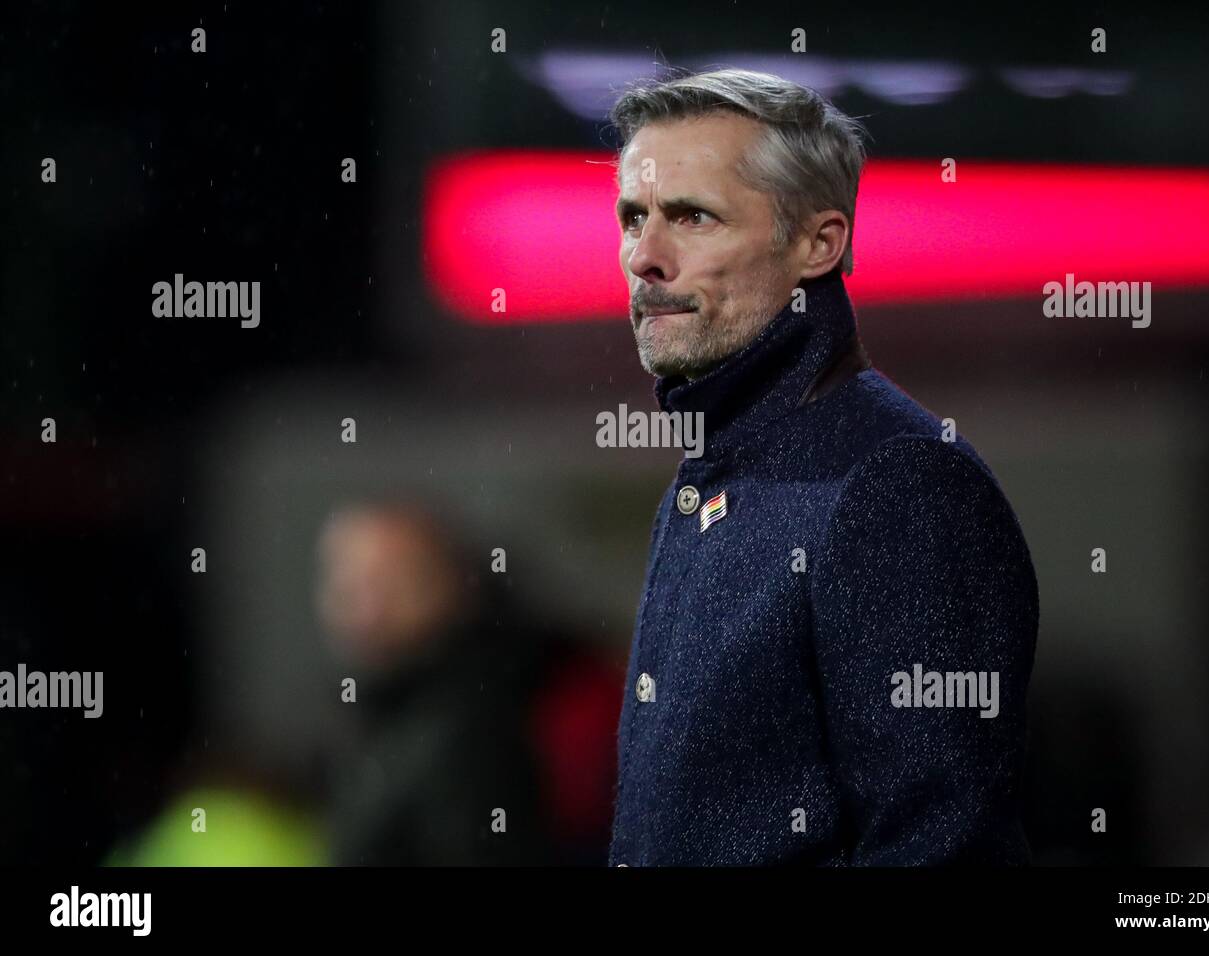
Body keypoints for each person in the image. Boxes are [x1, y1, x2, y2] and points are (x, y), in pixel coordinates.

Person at [607, 69, 1040, 865]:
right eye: (633, 218)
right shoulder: (716, 476)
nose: (646, 256)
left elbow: (943, 849)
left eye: (692, 217)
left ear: (819, 244)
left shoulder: (897, 484)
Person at [316, 501, 621, 865]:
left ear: (451, 585)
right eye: (347, 582)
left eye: (391, 581)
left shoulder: (473, 721)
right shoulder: (383, 712)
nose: (365, 608)